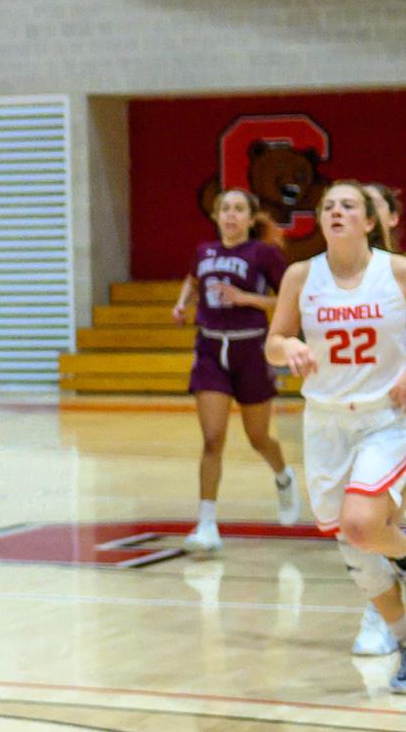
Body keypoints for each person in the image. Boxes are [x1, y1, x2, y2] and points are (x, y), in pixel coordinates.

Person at [265, 181, 406, 689]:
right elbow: (273, 343)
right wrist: (289, 350)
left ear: (370, 221)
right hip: (325, 422)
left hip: (386, 420)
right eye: (327, 207)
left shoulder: (396, 271)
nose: (335, 212)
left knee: (364, 523)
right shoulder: (302, 276)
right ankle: (405, 639)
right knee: (357, 553)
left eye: (348, 205)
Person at [167, 191, 301, 554]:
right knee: (212, 438)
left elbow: (287, 300)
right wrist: (182, 304)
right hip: (211, 349)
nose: (231, 215)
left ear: (250, 217)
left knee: (258, 437)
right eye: (225, 209)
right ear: (215, 214)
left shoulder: (264, 254)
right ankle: (207, 524)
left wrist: (247, 299)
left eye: (238, 209)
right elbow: (192, 281)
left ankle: (283, 476)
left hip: (251, 350)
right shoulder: (204, 251)